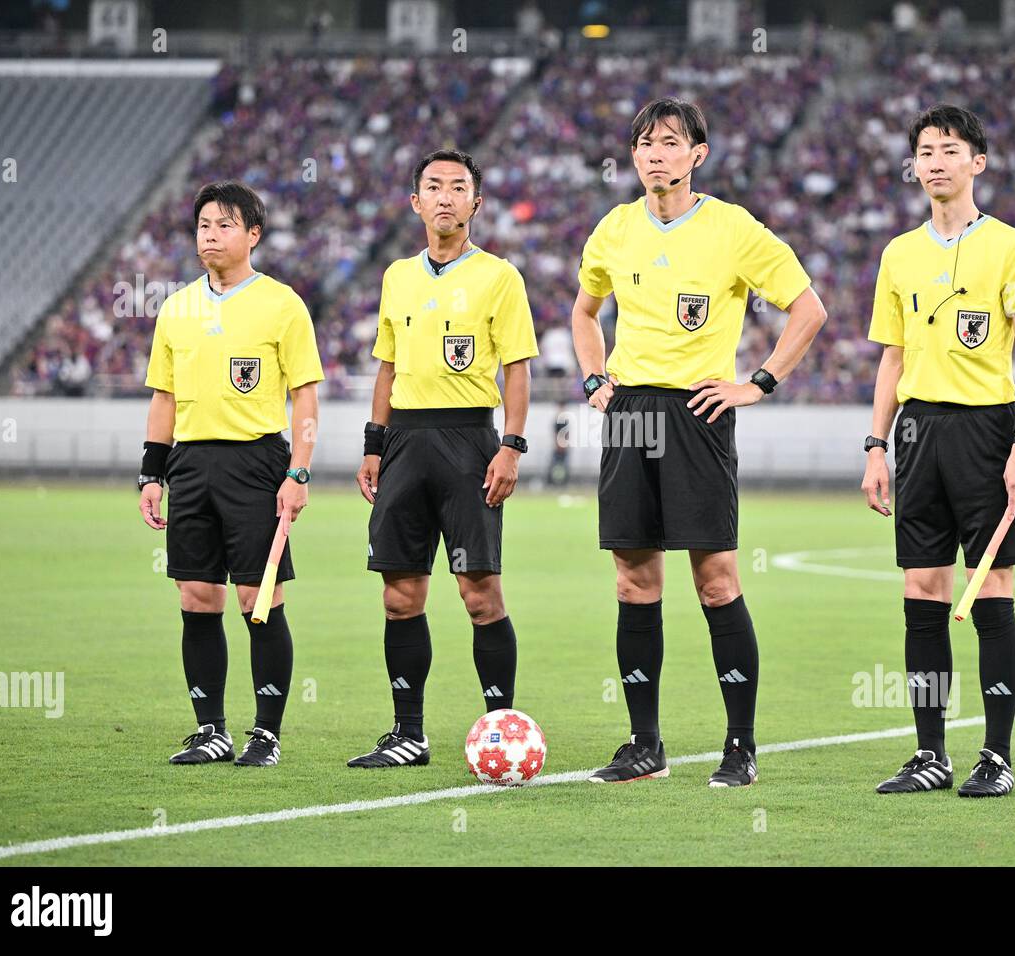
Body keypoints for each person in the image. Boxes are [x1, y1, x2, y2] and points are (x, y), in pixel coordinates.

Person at [571, 97, 827, 787]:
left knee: (715, 581)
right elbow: (584, 310)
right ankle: (643, 745)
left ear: (697, 155)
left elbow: (809, 308)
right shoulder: (615, 230)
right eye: (645, 143)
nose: (657, 153)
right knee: (633, 579)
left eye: (671, 142)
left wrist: (759, 382)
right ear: (633, 156)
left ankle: (739, 747)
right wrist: (594, 374)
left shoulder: (734, 230)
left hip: (698, 411)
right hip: (629, 414)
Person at [861, 105, 1015, 797]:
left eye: (949, 149)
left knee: (992, 591)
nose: (934, 161)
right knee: (922, 592)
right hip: (917, 434)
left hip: (988, 433)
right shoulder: (898, 254)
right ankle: (929, 753)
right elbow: (890, 359)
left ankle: (995, 756)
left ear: (979, 161)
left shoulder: (1010, 246)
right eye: (924, 151)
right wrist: (876, 446)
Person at [348, 149, 538, 769]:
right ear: (417, 203)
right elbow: (387, 366)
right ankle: (408, 733)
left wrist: (510, 446)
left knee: (480, 593)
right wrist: (375, 445)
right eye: (435, 187)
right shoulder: (397, 276)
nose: (447, 197)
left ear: (476, 203)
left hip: (469, 443)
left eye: (459, 187)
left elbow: (517, 370)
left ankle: (499, 727)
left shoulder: (500, 278)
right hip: (404, 442)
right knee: (400, 596)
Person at [139, 180, 323, 767]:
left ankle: (265, 734)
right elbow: (163, 400)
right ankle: (210, 728)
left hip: (257, 462)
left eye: (223, 225)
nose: (210, 235)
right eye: (203, 226)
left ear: (253, 234)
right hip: (191, 464)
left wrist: (300, 472)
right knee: (196, 596)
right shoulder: (176, 308)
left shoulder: (282, 304)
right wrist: (152, 473)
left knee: (258, 599)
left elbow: (306, 398)